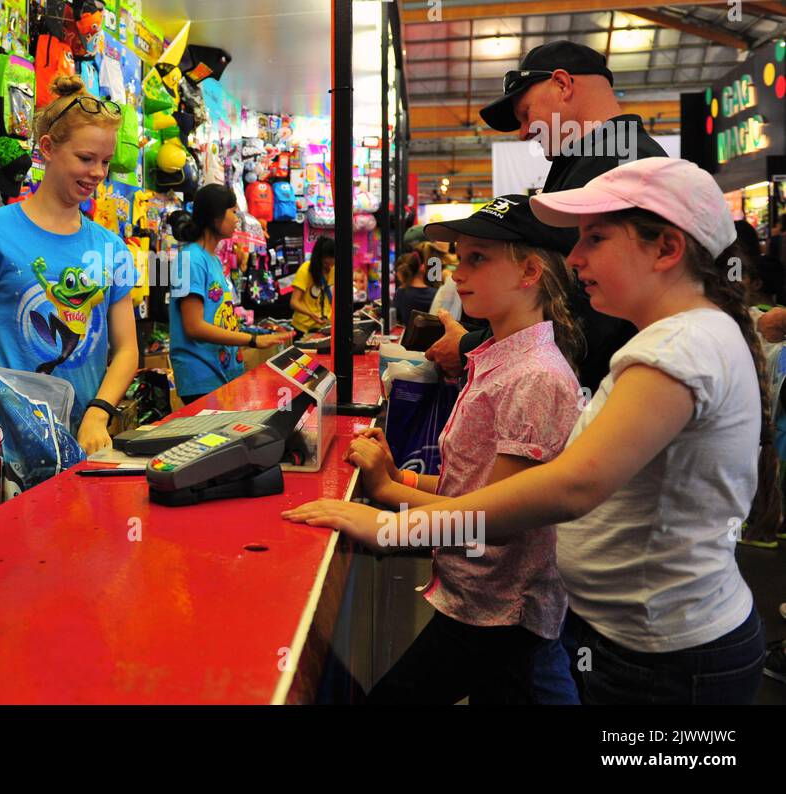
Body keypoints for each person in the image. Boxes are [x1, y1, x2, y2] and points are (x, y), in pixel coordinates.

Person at [286, 158, 771, 705]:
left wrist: (392, 525)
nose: (577, 256)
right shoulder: (684, 338)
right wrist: (398, 493)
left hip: (665, 659)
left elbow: (569, 488)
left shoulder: (678, 348)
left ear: (665, 249)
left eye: (596, 238)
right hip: (645, 644)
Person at [336, 196, 584, 704]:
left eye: (478, 258)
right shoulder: (499, 358)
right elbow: (472, 489)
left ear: (530, 271)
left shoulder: (534, 375)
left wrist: (387, 517)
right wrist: (400, 480)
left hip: (502, 613)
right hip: (482, 605)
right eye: (459, 259)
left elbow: (493, 521)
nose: (458, 274)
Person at [426, 41, 668, 393]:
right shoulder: (591, 162)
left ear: (562, 84)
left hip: (604, 397)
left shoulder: (619, 166)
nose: (524, 132)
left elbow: (595, 312)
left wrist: (472, 346)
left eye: (526, 113)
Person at [0, 75, 139, 454]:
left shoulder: (111, 248)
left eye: (105, 162)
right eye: (86, 159)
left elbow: (128, 348)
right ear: (48, 148)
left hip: (83, 439)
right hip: (4, 440)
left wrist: (99, 413)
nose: (98, 173)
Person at [169, 184, 293, 405]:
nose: (237, 219)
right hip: (202, 376)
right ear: (215, 216)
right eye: (233, 212)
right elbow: (194, 326)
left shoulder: (212, 259)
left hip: (221, 372)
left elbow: (217, 317)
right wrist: (253, 340)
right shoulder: (189, 259)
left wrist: (258, 331)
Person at [290, 236, 334, 335]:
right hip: (303, 328)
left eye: (333, 262)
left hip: (325, 327)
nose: (330, 266)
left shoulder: (333, 270)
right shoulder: (306, 269)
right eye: (326, 263)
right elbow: (294, 302)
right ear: (319, 257)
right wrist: (312, 315)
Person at [393, 245, 442, 329]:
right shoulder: (436, 294)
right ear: (421, 268)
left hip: (407, 340)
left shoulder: (400, 293)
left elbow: (396, 319)